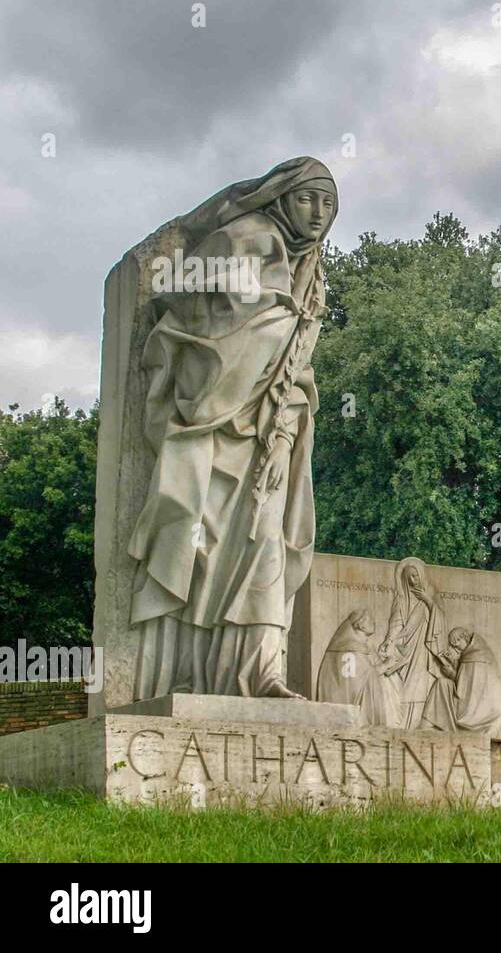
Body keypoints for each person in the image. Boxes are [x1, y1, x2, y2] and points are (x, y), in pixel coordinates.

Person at [129, 157, 337, 699]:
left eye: (329, 204)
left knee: (270, 538)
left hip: (274, 427)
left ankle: (258, 674)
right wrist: (278, 323)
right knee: (198, 547)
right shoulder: (244, 238)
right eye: (308, 199)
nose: (318, 215)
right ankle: (190, 672)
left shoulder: (312, 267)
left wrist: (293, 399)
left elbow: (299, 356)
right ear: (281, 198)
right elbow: (198, 321)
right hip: (213, 425)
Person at [378, 558, 444, 729]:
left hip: (424, 647)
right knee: (405, 686)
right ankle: (404, 724)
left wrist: (428, 601)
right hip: (405, 647)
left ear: (421, 575)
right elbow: (396, 621)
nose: (413, 580)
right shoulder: (402, 597)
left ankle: (418, 724)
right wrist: (388, 640)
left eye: (415, 576)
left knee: (421, 685)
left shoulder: (431, 593)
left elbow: (440, 620)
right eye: (410, 578)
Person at [316, 609, 399, 726]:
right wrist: (385, 665)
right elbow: (365, 678)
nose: (374, 622)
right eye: (369, 619)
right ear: (361, 625)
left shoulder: (350, 646)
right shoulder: (352, 648)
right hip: (351, 712)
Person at [420, 626, 501, 734]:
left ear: (463, 638)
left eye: (456, 645)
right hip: (472, 700)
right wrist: (451, 661)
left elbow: (466, 688)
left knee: (442, 684)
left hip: (476, 708)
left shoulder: (476, 656)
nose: (457, 650)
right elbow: (467, 677)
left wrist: (451, 673)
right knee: (442, 683)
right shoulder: (475, 652)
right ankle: (427, 723)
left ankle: (428, 724)